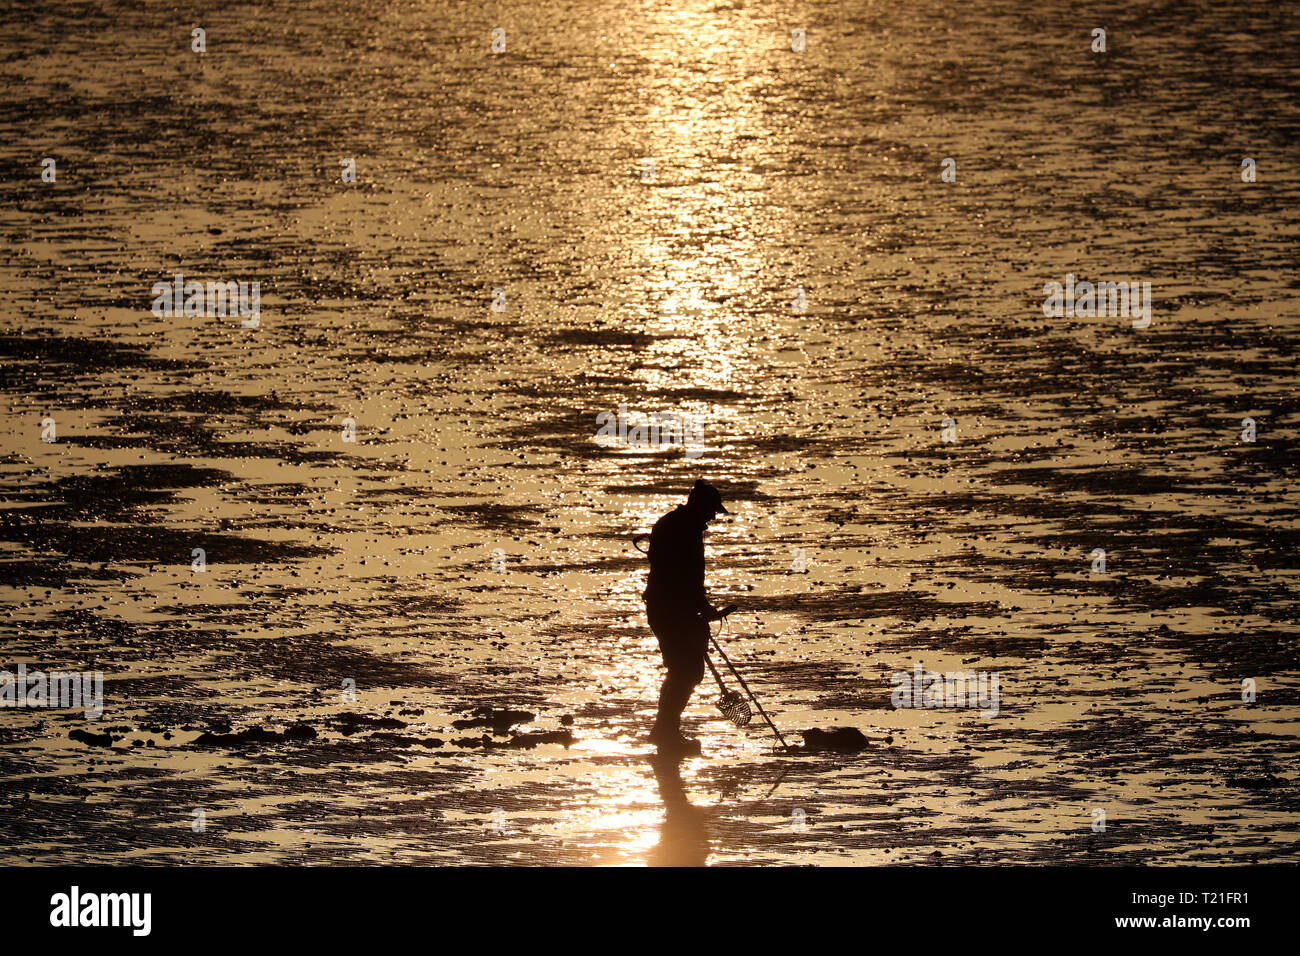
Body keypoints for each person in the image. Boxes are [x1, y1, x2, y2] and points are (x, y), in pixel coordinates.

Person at [643, 479, 728, 755]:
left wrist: (700, 608)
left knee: (679, 670)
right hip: (673, 611)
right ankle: (665, 732)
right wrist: (701, 608)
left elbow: (683, 578)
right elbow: (684, 578)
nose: (713, 517)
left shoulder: (674, 524)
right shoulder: (684, 531)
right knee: (687, 671)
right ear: (701, 506)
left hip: (665, 609)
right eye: (712, 511)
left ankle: (664, 730)